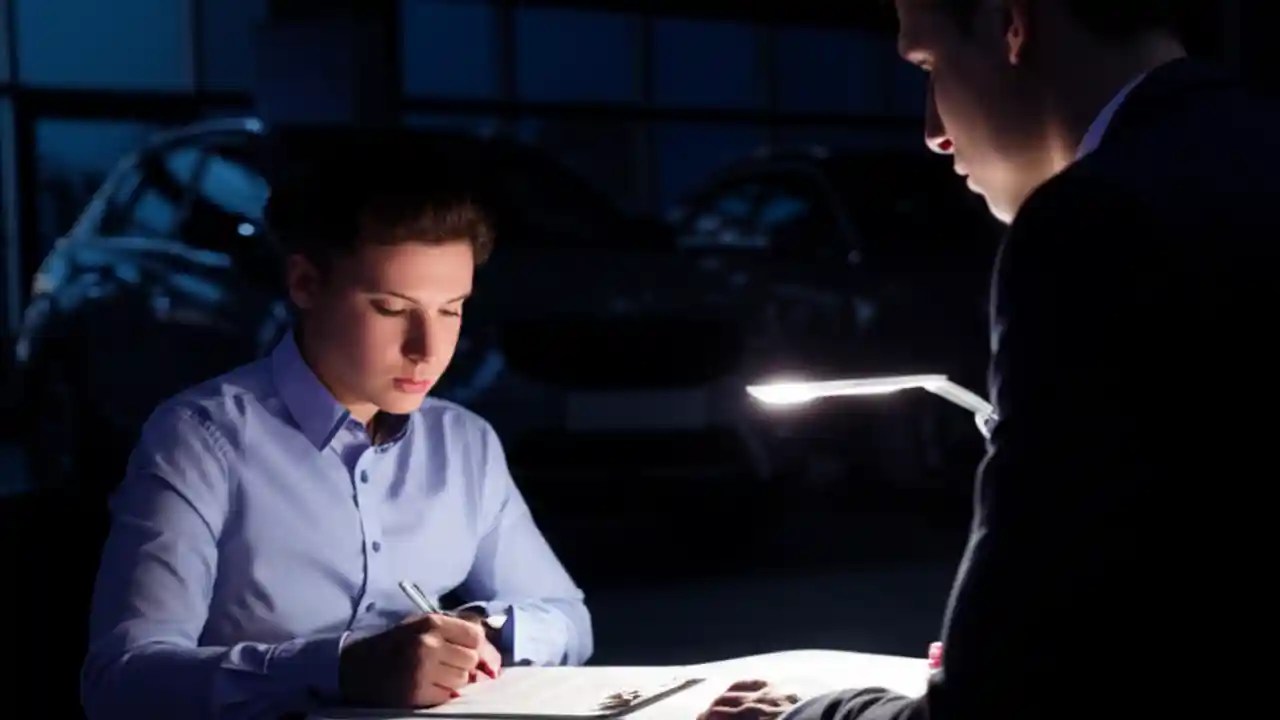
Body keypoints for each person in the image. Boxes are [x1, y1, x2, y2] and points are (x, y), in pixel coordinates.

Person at [700, 0, 1277, 718]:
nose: (933, 134)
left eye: (930, 66)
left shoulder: (1093, 225)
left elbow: (1004, 694)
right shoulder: (1253, 150)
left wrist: (818, 713)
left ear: (1013, 23)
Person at [80, 130, 593, 720]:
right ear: (305, 284)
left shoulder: (463, 443)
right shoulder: (202, 439)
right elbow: (120, 680)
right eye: (393, 309)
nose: (427, 349)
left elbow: (567, 618)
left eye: (451, 310)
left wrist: (480, 630)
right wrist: (342, 668)